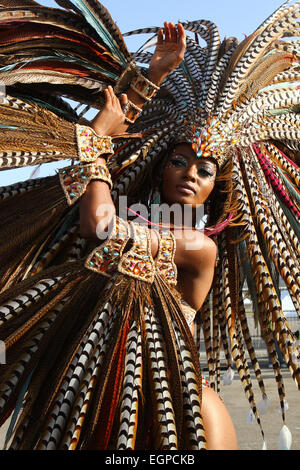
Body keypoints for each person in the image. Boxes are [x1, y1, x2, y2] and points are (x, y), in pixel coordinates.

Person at [0, 0, 298, 451]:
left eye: (205, 169)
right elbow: (118, 147)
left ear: (216, 188)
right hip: (87, 382)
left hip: (165, 393)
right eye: (179, 160)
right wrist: (154, 75)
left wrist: (95, 141)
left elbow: (100, 224)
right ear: (160, 168)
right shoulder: (132, 213)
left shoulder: (198, 247)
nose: (190, 173)